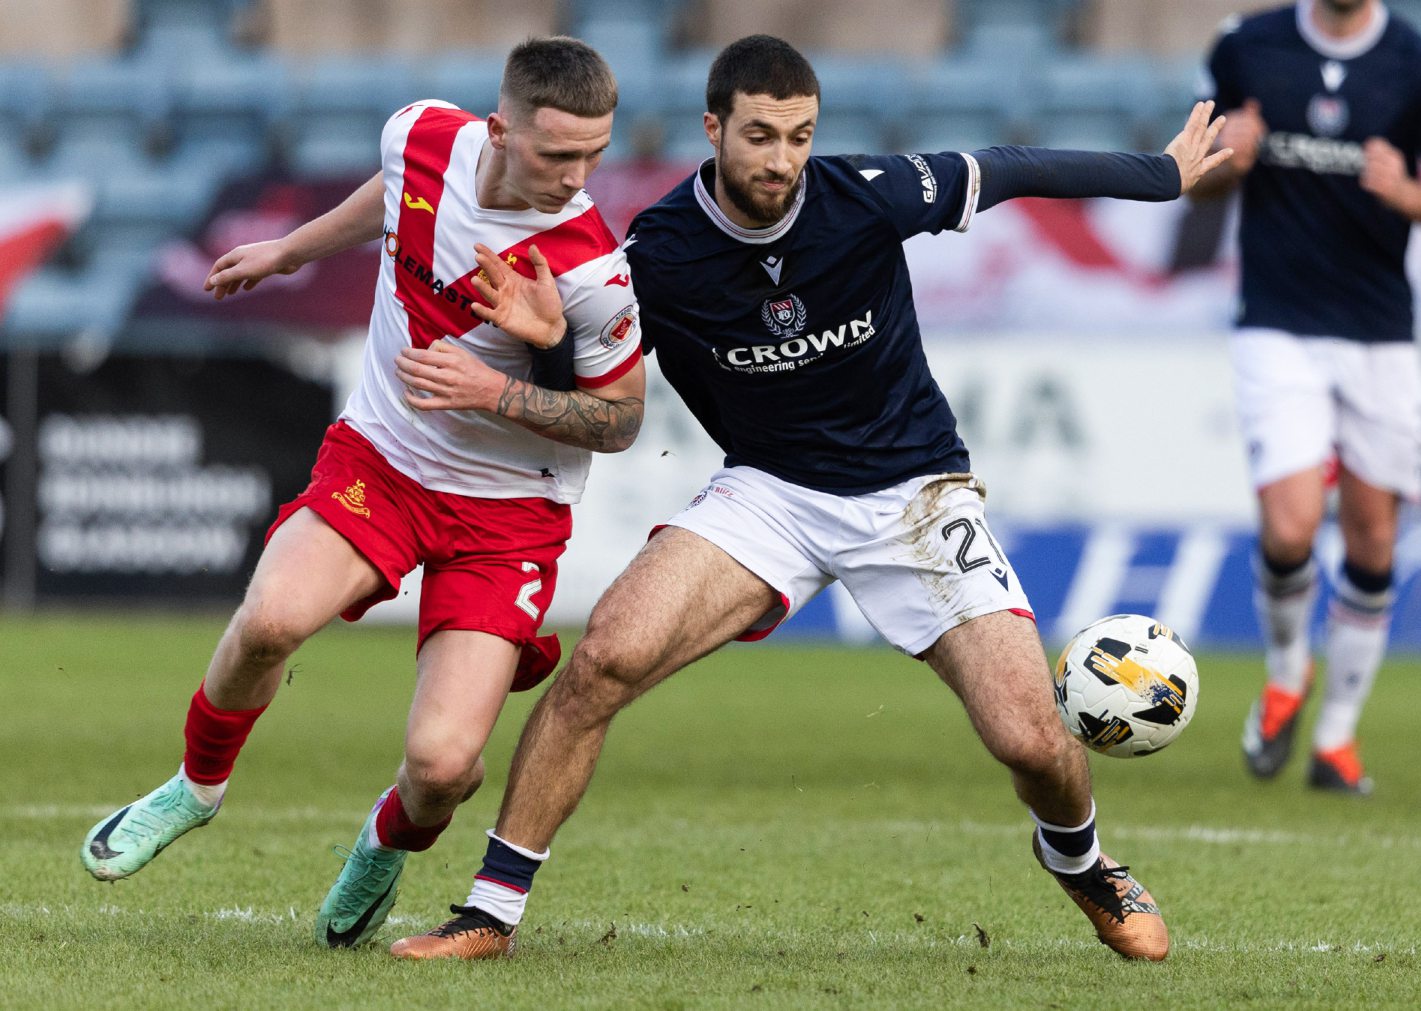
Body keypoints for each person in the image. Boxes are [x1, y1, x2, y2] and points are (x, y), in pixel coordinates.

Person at [381, 35, 1232, 962]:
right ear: (713, 130)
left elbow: (1010, 166)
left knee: (1030, 740)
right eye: (759, 135)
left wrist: (1160, 176)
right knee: (601, 664)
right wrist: (549, 347)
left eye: (799, 136)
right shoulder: (657, 255)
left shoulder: (867, 193)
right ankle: (491, 912)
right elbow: (595, 399)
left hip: (916, 493)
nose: (782, 159)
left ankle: (1083, 861)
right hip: (769, 494)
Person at [79, 36, 647, 951]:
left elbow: (620, 420)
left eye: (595, 153)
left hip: (507, 516)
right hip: (383, 459)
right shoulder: (420, 134)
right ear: (500, 130)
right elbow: (393, 195)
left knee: (443, 767)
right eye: (557, 154)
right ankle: (195, 787)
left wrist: (495, 388)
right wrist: (288, 250)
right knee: (270, 621)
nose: (577, 177)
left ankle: (385, 840)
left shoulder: (588, 267)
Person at [1189, 0, 1421, 795]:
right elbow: (1192, 185)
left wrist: (1408, 196)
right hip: (1278, 325)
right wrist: (1227, 161)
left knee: (1373, 541)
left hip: (1379, 334)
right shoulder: (1247, 46)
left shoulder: (1418, 64)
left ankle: (1335, 741)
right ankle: (1287, 671)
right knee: (1292, 523)